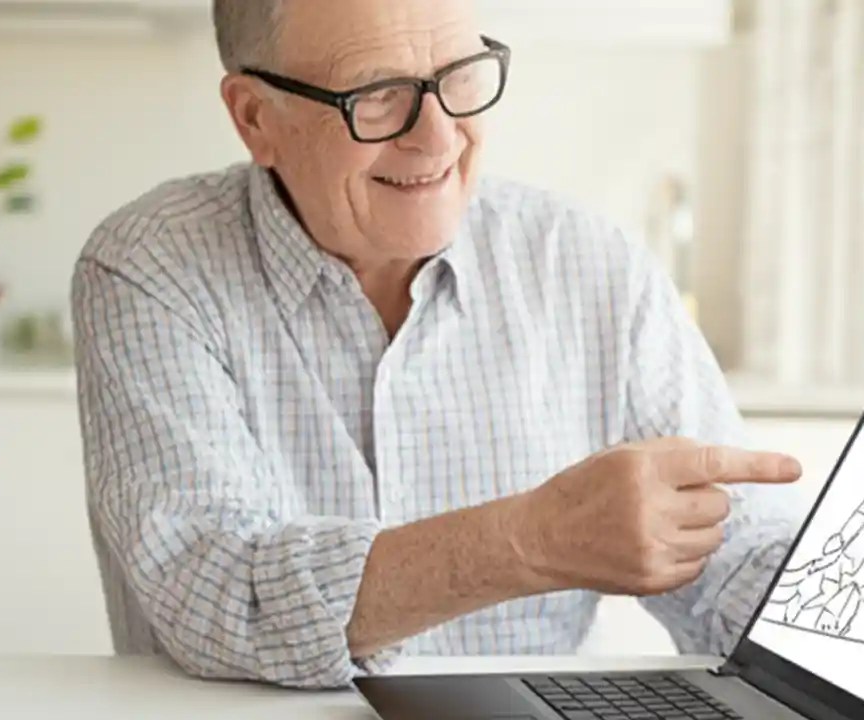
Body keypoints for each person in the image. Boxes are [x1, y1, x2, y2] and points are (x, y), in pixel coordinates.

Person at [69, 0, 807, 690]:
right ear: (256, 118)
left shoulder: (586, 259)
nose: (439, 136)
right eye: (378, 94)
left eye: (458, 77)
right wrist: (532, 539)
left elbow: (727, 557)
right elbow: (214, 591)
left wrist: (862, 612)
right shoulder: (151, 265)